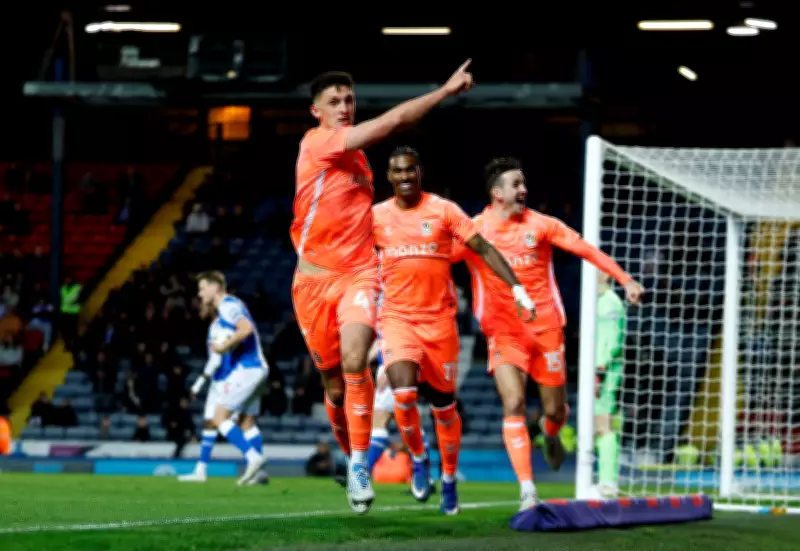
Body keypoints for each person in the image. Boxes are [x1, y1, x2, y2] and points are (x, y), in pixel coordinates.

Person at [290, 61, 474, 514]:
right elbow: (393, 121)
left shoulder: (360, 162)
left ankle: (357, 464)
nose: (344, 107)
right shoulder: (319, 143)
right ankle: (347, 451)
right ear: (316, 111)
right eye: (334, 101)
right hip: (312, 281)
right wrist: (443, 91)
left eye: (349, 100)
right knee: (333, 387)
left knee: (356, 359)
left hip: (359, 275)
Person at [452, 157, 644, 511]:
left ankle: (552, 432)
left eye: (524, 183)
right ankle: (528, 490)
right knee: (513, 403)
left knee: (554, 411)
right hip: (504, 334)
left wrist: (624, 278)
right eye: (516, 184)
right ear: (497, 193)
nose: (524, 190)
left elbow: (585, 249)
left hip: (546, 332)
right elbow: (435, 259)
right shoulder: (474, 232)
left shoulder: (541, 225)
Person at [372, 147, 535, 515]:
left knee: (445, 410)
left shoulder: (444, 210)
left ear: (420, 171)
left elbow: (485, 249)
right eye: (398, 171)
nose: (405, 176)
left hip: (440, 325)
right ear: (389, 176)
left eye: (410, 170)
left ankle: (448, 478)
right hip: (398, 321)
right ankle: (419, 458)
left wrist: (518, 289)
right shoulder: (376, 217)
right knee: (403, 395)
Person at [194, 271, 270, 486]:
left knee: (219, 417)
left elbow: (246, 329)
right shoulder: (230, 306)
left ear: (215, 287)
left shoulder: (228, 306)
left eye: (202, 288)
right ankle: (258, 474)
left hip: (248, 369)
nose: (200, 294)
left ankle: (253, 457)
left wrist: (224, 346)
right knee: (247, 421)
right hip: (258, 369)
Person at [591, 271, 627, 498]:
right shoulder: (599, 302)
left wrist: (599, 371)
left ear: (605, 276)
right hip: (597, 370)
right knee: (599, 427)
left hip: (604, 372)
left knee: (604, 425)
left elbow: (614, 340)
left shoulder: (611, 303)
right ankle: (605, 480)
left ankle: (608, 482)